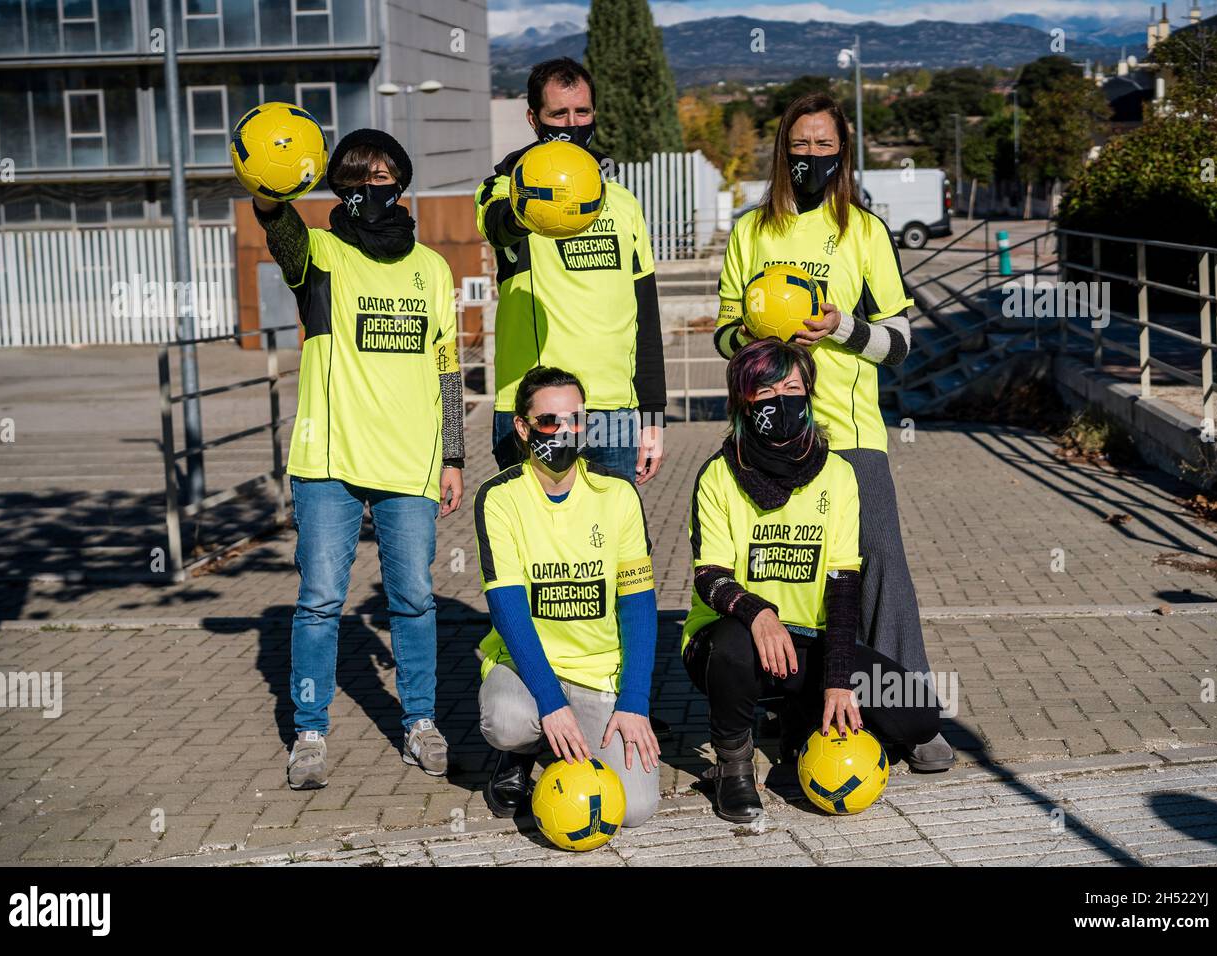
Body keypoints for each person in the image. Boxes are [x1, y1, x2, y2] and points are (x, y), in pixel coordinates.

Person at [710, 92, 953, 771]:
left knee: (880, 566)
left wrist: (841, 327)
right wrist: (757, 332)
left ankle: (911, 715)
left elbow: (902, 341)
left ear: (843, 153)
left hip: (850, 436)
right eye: (801, 144)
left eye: (825, 146)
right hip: (766, 434)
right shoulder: (750, 230)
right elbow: (725, 332)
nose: (812, 156)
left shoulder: (865, 232)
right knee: (781, 564)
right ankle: (785, 703)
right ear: (783, 148)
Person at [250, 128, 464, 789]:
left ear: (402, 184)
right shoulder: (317, 254)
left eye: (387, 177)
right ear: (339, 188)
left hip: (411, 465)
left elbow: (447, 366)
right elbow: (279, 229)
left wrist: (453, 454)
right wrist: (267, 191)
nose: (376, 189)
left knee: (415, 600)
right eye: (360, 179)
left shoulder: (431, 268)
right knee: (318, 603)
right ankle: (309, 731)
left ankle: (421, 722)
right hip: (328, 461)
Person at [684, 338, 944, 823]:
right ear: (743, 402)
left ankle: (804, 722)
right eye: (765, 392)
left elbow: (844, 585)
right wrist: (757, 612)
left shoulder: (838, 474)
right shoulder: (717, 475)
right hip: (731, 640)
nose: (780, 401)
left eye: (792, 387)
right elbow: (709, 576)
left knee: (918, 713)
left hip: (808, 641)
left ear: (809, 394)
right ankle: (734, 766)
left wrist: (839, 679)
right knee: (733, 647)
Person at [472, 366, 661, 827]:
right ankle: (524, 750)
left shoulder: (618, 493)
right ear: (522, 427)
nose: (564, 431)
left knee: (635, 810)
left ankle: (569, 738)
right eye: (549, 422)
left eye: (575, 419)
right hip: (529, 669)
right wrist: (551, 703)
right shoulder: (498, 497)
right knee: (506, 720)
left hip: (599, 672)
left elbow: (638, 605)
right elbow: (508, 606)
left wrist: (634, 700)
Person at [475, 56, 666, 485]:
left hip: (614, 412)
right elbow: (498, 226)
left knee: (617, 546)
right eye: (558, 114)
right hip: (534, 408)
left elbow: (645, 315)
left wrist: (653, 416)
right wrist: (534, 202)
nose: (572, 123)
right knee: (538, 547)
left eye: (582, 112)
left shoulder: (621, 201)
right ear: (533, 119)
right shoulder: (504, 188)